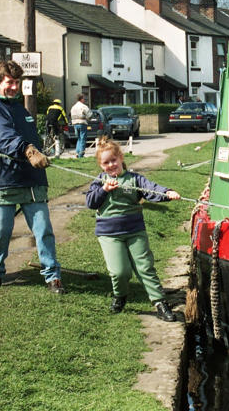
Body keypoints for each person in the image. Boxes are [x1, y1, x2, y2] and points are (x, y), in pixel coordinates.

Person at [0, 60, 65, 294]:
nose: (14, 87)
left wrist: (38, 150)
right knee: (0, 230)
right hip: (2, 178)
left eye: (17, 82)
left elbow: (30, 135)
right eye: (9, 82)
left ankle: (52, 275)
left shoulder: (21, 108)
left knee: (43, 229)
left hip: (32, 179)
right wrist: (28, 150)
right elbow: (1, 135)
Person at [85, 137, 179, 321]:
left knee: (145, 267)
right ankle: (120, 296)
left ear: (121, 158)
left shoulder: (134, 179)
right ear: (101, 165)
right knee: (120, 272)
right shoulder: (99, 181)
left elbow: (152, 190)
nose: (111, 165)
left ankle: (160, 302)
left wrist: (167, 193)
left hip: (135, 230)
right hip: (109, 234)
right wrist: (104, 189)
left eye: (114, 160)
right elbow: (90, 202)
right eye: (106, 163)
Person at [70, 93, 91, 158]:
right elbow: (90, 115)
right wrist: (88, 119)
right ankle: (81, 154)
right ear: (81, 99)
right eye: (83, 98)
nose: (84, 100)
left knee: (78, 139)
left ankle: (77, 152)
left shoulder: (73, 107)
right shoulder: (83, 106)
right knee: (83, 139)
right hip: (82, 123)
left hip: (75, 124)